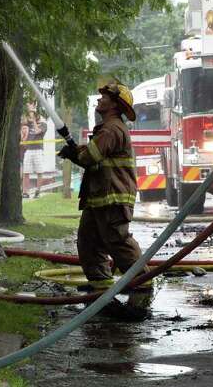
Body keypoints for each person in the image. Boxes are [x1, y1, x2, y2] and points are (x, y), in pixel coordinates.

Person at [59, 83, 143, 294]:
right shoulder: (107, 128)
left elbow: (90, 157)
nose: (99, 100)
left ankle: (142, 284)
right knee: (88, 243)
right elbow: (93, 155)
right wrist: (76, 150)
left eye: (104, 97)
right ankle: (101, 288)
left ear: (115, 105)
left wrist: (74, 153)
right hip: (100, 197)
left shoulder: (112, 129)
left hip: (112, 197)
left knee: (118, 242)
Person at [21, 105, 48, 198]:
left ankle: (38, 191)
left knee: (39, 171)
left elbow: (37, 131)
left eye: (34, 114)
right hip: (28, 150)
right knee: (26, 172)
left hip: (38, 150)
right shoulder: (27, 124)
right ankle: (25, 192)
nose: (32, 116)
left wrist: (34, 122)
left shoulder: (44, 125)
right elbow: (23, 129)